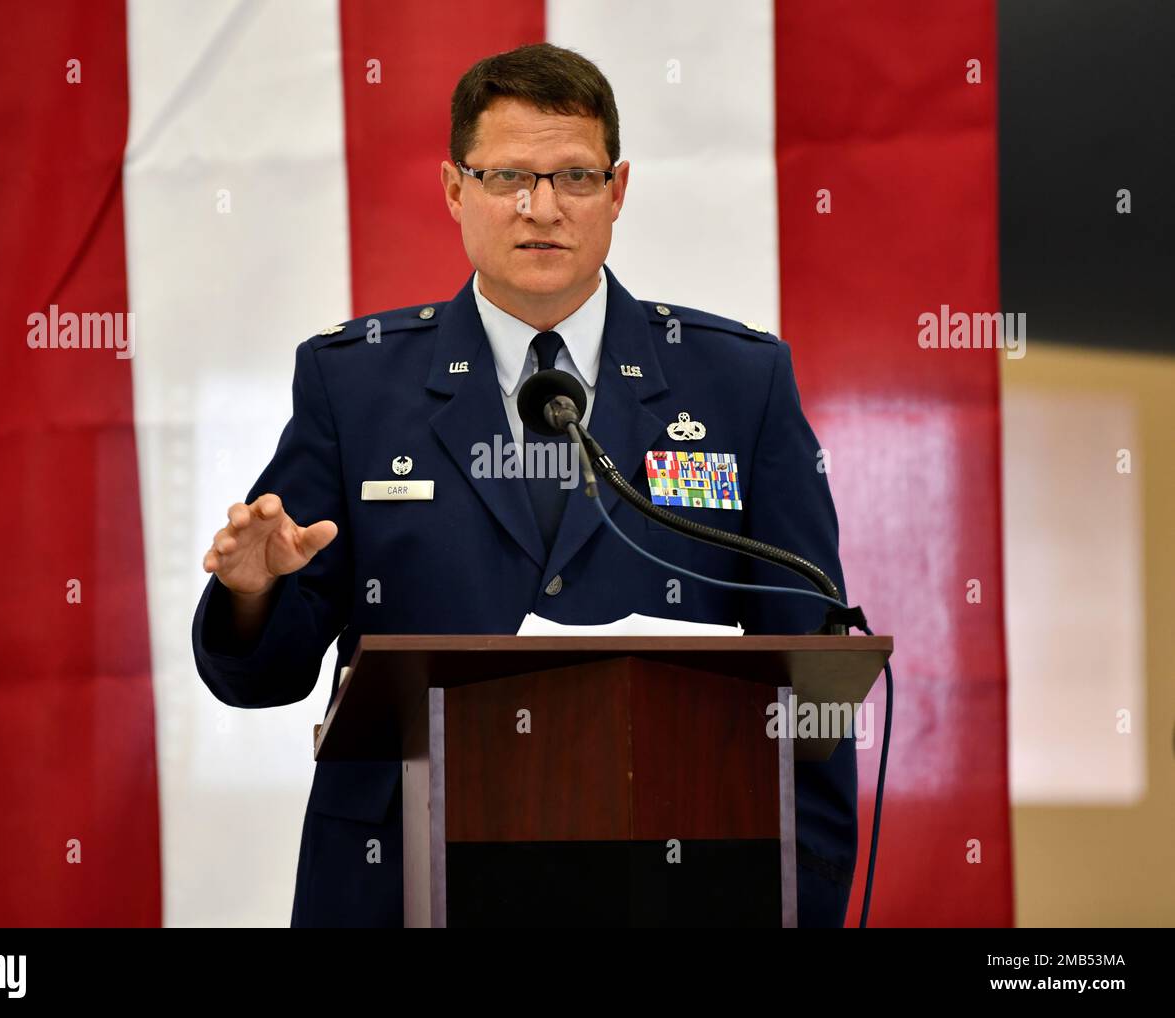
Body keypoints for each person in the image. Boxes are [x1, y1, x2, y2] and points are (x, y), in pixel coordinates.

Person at [192, 42, 854, 927]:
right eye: (507, 175)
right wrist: (252, 594)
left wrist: (795, 902)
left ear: (618, 191)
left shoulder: (736, 383)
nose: (540, 207)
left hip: (671, 882)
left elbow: (809, 686)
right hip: (403, 884)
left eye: (574, 176)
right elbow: (265, 676)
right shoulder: (355, 385)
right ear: (453, 189)